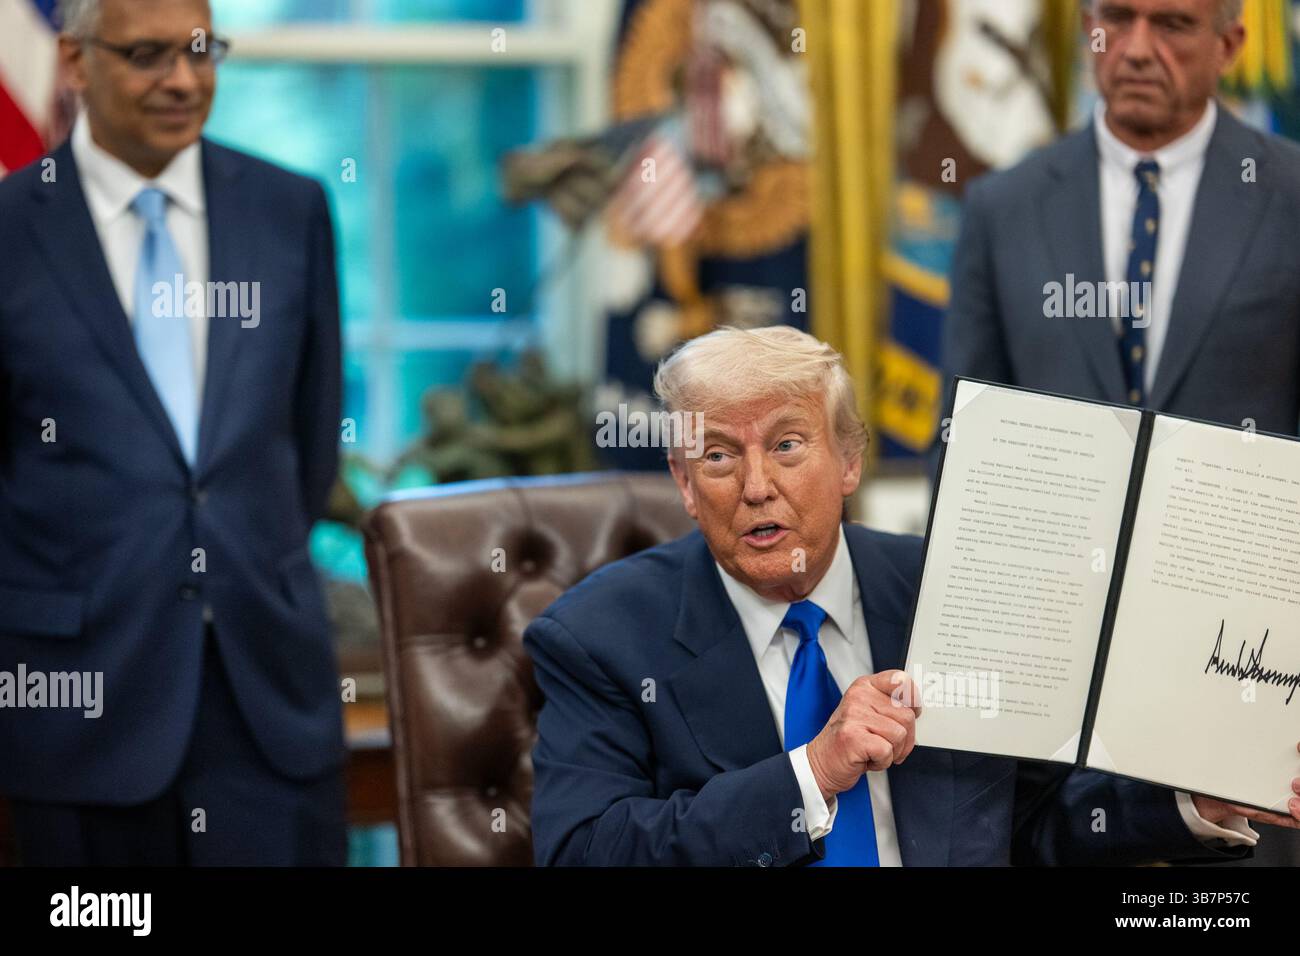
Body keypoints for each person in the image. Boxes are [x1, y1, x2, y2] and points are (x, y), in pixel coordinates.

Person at [524, 325, 1300, 865]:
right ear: (685, 484)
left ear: (850, 460)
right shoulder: (600, 637)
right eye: (720, 455)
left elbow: (1025, 827)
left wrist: (1194, 801)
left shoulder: (953, 589)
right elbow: (585, 849)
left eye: (789, 445)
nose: (757, 487)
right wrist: (813, 772)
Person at [0, 0, 346, 864]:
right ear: (75, 63)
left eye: (201, 51)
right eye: (148, 54)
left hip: (267, 699)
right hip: (81, 709)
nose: (184, 80)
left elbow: (308, 439)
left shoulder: (287, 209)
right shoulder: (10, 228)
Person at [944, 0, 1300, 436]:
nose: (1137, 51)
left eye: (1173, 24)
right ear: (1087, 28)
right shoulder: (1001, 208)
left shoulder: (1288, 198)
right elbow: (962, 439)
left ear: (1228, 45)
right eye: (1117, 19)